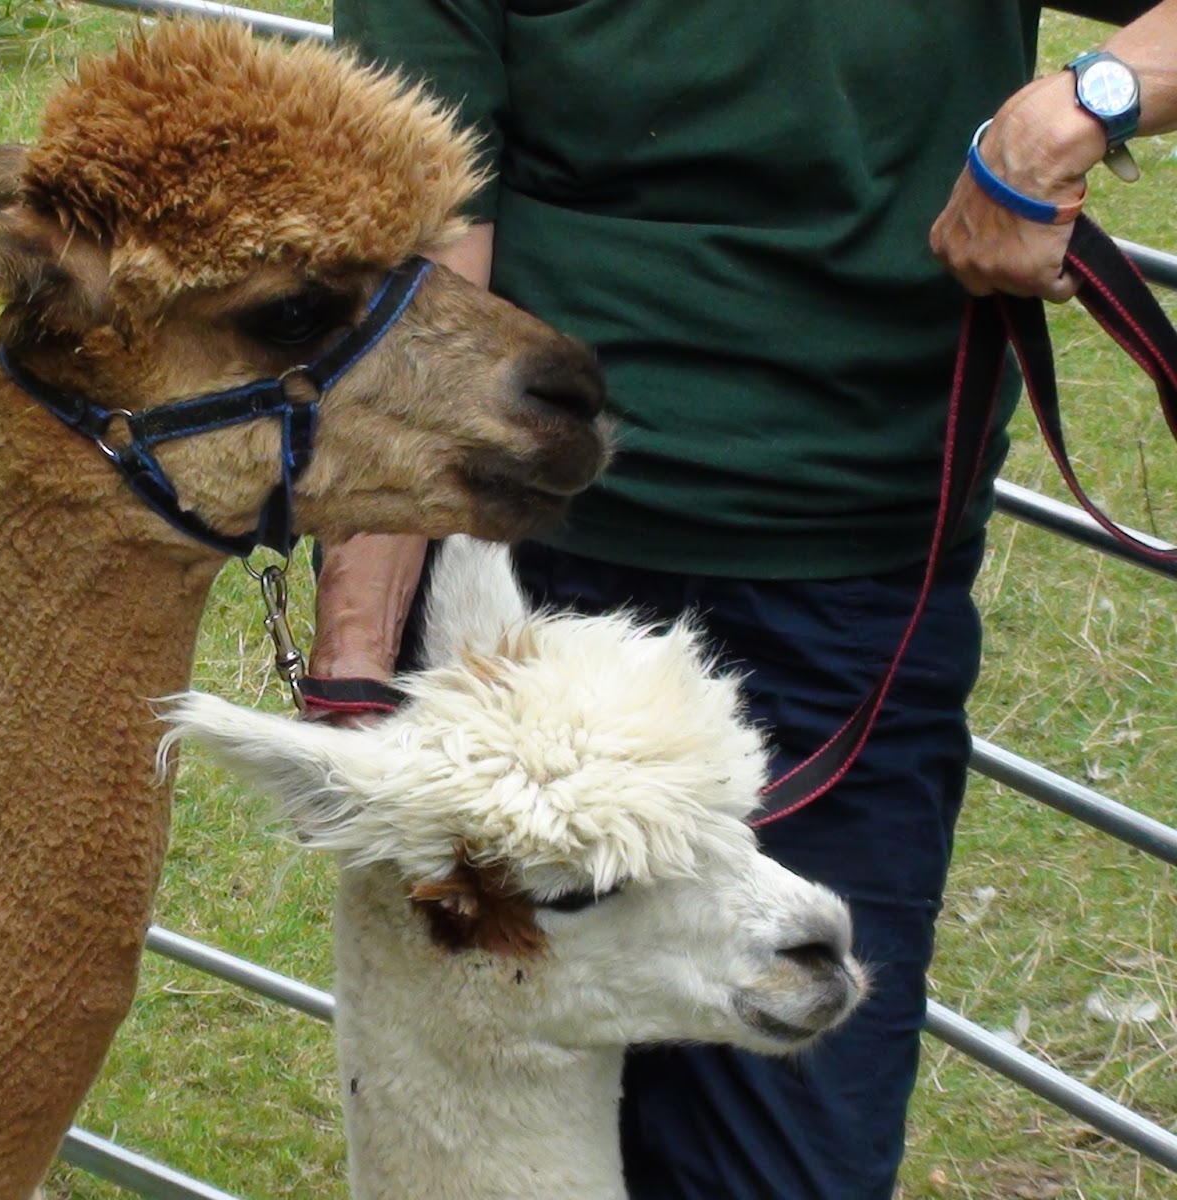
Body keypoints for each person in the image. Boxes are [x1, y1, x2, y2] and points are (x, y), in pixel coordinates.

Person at [310, 3, 1177, 1197]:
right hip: (518, 614)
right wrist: (359, 668)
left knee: (779, 1162)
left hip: (837, 587)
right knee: (482, 1133)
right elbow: (420, 265)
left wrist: (1085, 100)